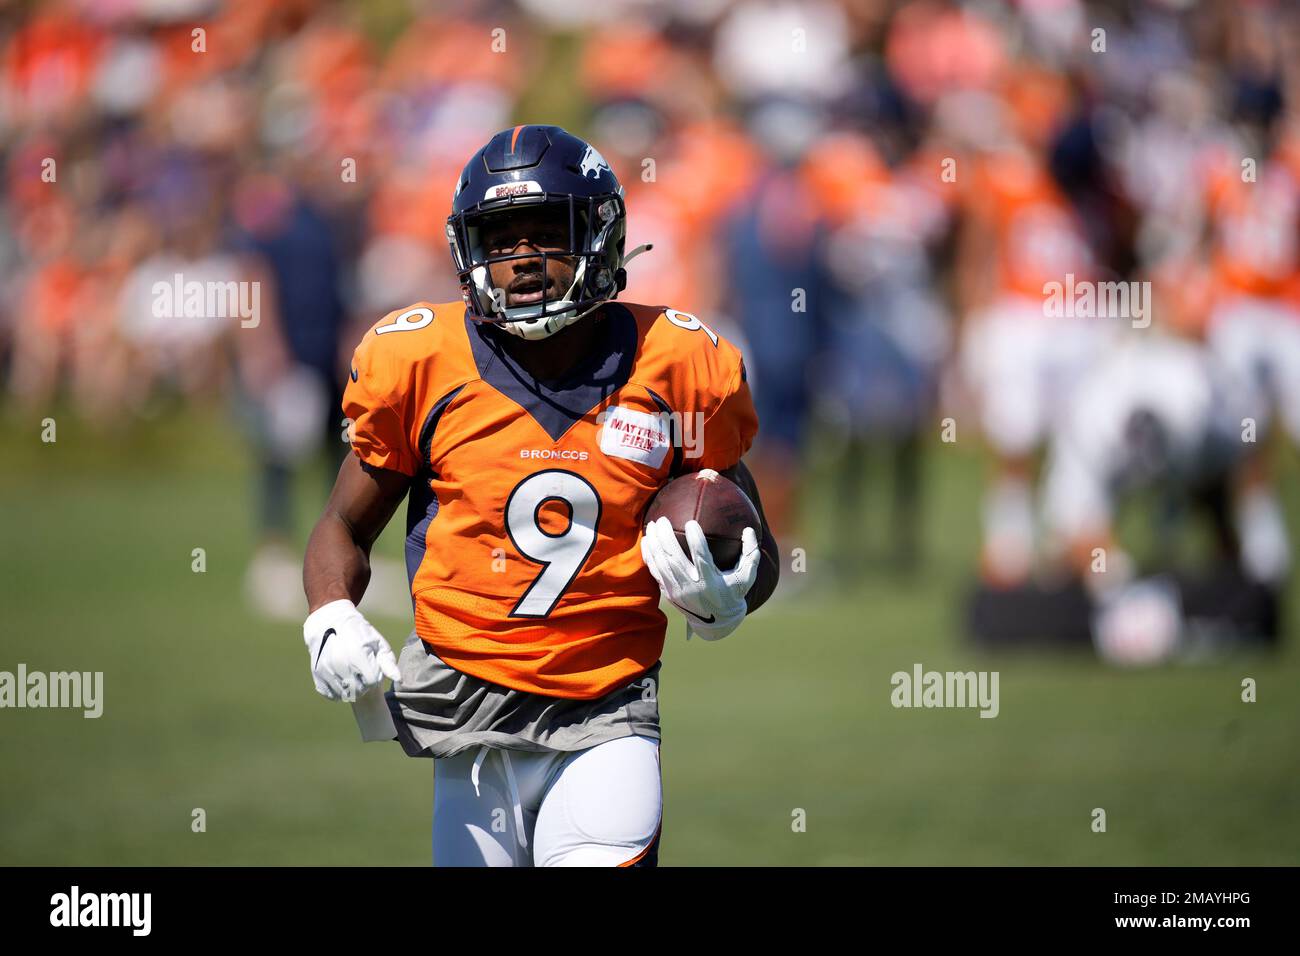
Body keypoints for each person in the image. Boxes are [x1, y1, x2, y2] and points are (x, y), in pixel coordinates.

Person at [300, 126, 780, 866]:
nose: (521, 257)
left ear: (600, 234)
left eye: (543, 233)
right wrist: (330, 612)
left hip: (607, 706)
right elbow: (343, 524)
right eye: (499, 237)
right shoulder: (418, 360)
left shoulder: (677, 361)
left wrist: (732, 595)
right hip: (462, 710)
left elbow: (751, 537)